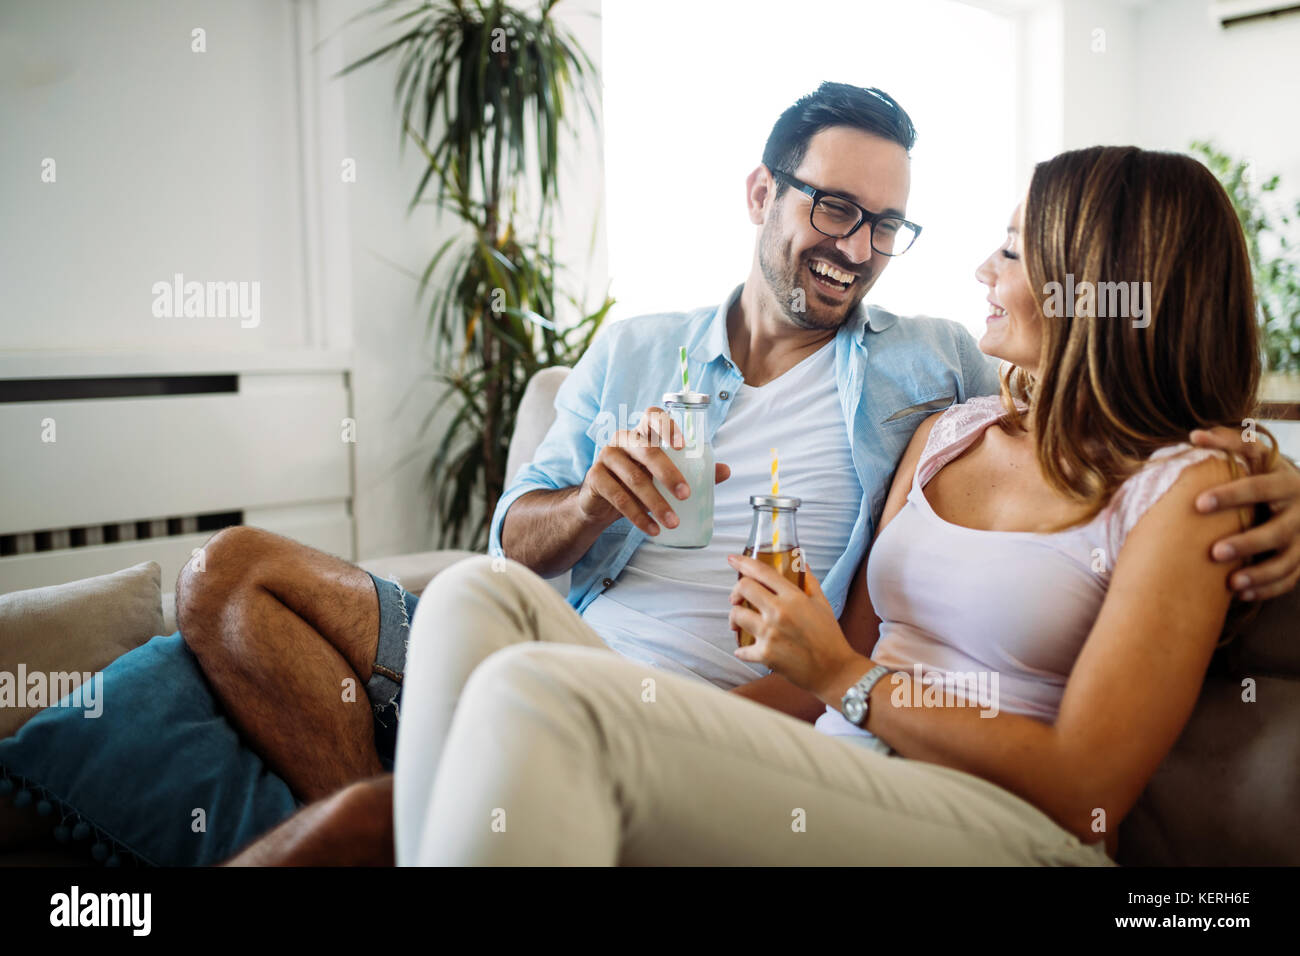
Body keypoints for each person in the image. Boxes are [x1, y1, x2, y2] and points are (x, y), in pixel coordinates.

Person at [177, 84, 1300, 859]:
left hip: (979, 812)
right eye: (836, 208)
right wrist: (601, 520)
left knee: (538, 693)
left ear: (1092, 286)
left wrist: (838, 676)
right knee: (474, 594)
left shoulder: (1182, 488)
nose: (876, 250)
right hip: (822, 753)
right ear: (762, 195)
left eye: (1007, 246)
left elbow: (1082, 786)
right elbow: (838, 642)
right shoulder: (951, 427)